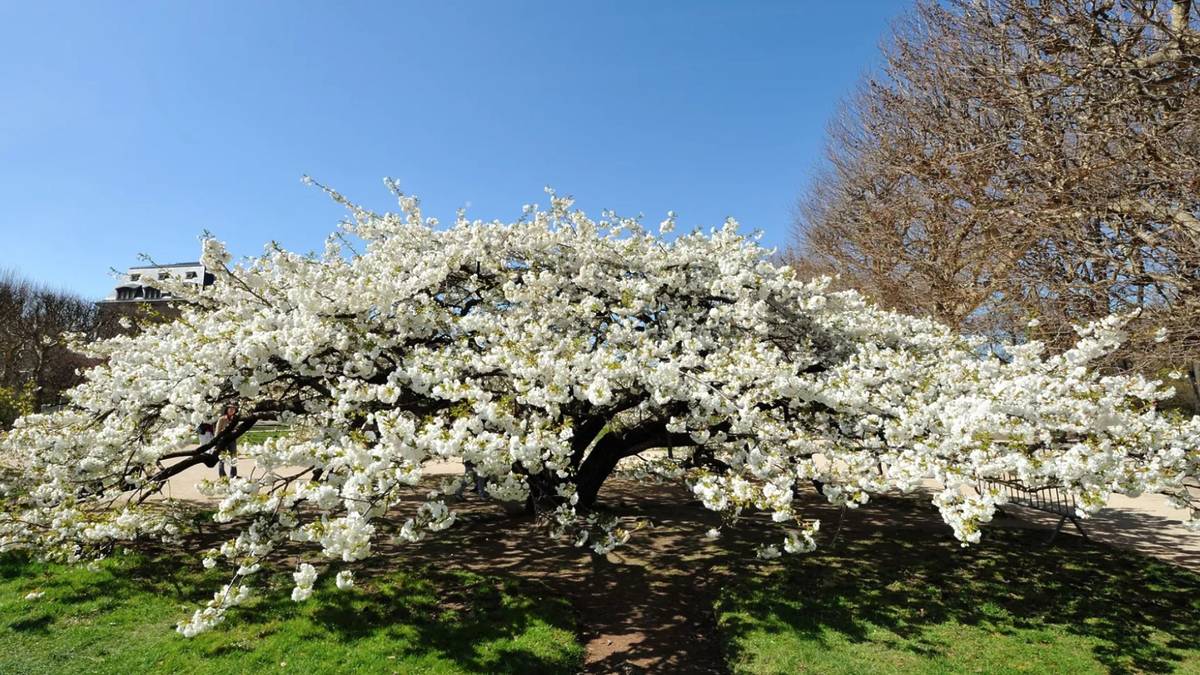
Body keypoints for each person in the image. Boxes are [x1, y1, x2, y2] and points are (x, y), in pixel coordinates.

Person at [214, 405, 239, 479]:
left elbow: (237, 430)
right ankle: (222, 475)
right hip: (223, 441)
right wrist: (216, 441)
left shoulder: (235, 419)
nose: (231, 410)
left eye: (233, 409)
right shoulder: (222, 419)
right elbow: (217, 431)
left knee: (234, 457)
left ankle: (233, 474)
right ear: (227, 410)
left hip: (232, 440)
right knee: (222, 458)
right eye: (230, 409)